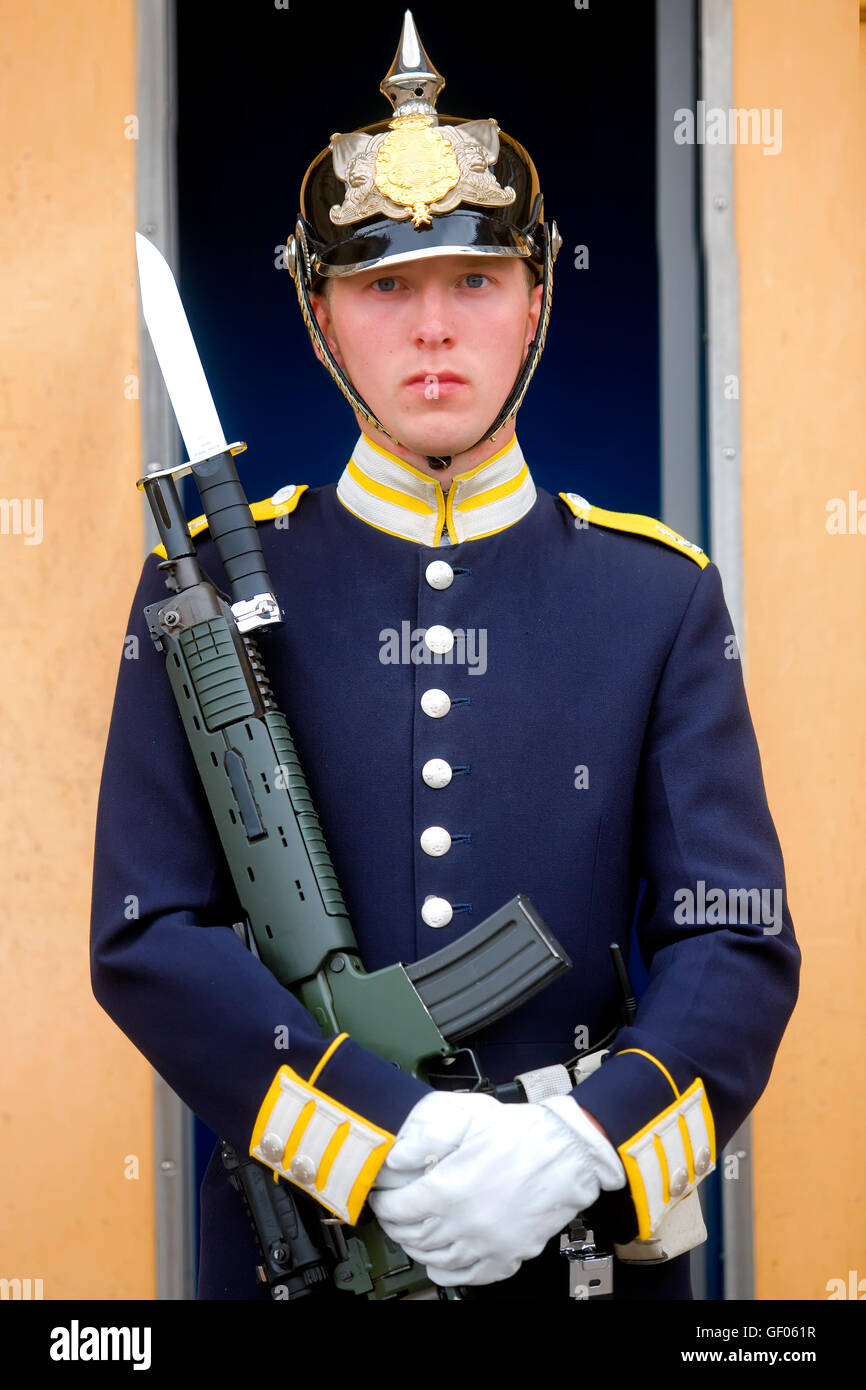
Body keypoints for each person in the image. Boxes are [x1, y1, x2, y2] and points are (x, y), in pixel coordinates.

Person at [90, 12, 800, 1301]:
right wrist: (386, 1135)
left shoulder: (656, 596)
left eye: (473, 281)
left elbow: (733, 937)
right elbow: (149, 930)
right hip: (309, 1250)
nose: (432, 330)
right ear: (320, 316)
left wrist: (586, 1144)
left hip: (581, 1253)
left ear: (535, 299)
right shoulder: (202, 586)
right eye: (384, 286)